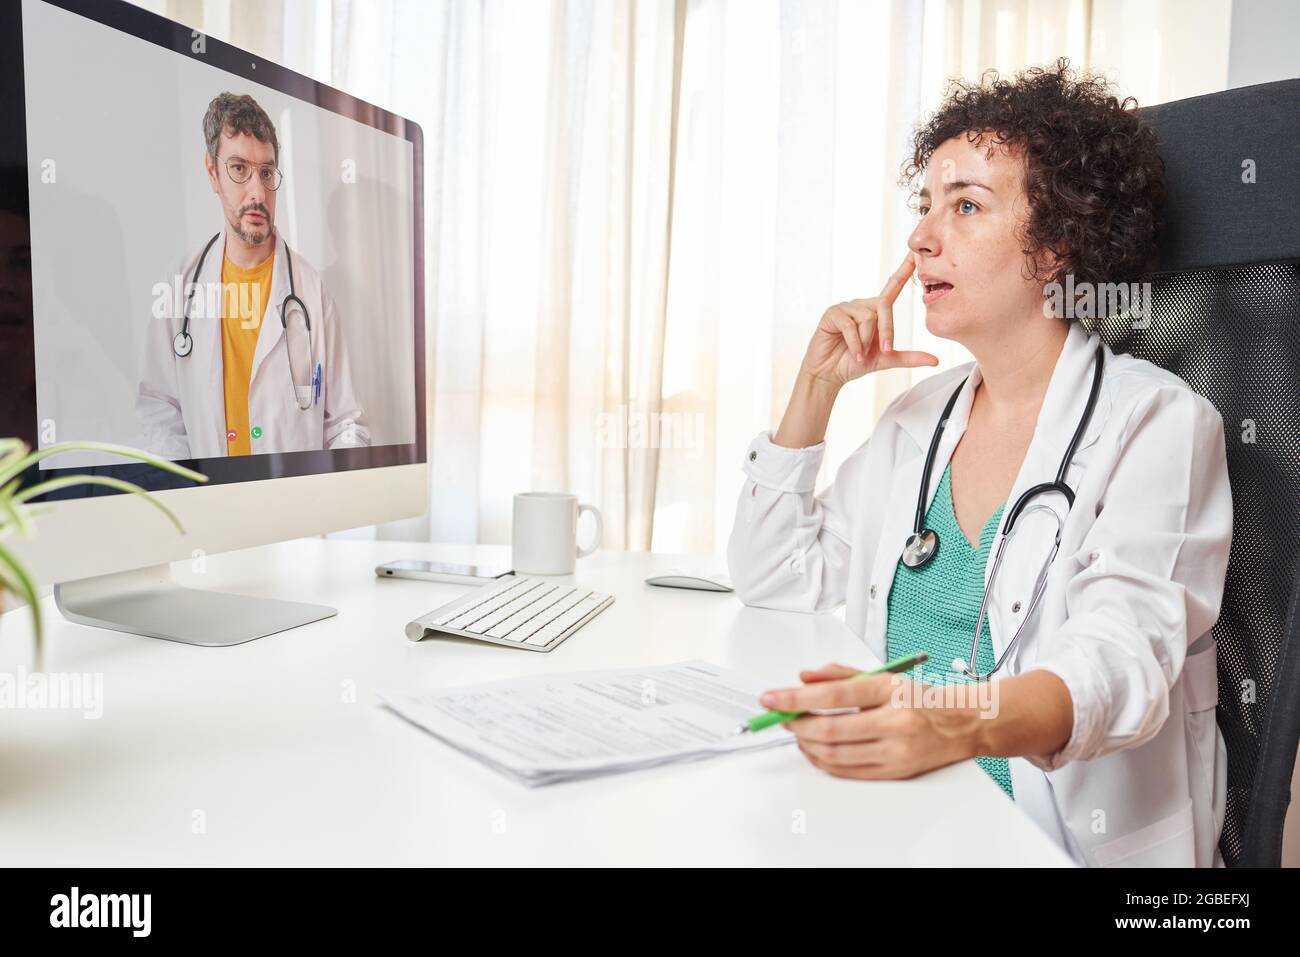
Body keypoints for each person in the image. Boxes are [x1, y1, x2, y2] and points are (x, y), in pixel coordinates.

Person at [727, 59, 1233, 867]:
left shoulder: (1159, 423)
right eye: (925, 206)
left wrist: (952, 720)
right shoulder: (918, 418)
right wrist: (814, 390)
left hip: (1046, 844)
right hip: (894, 821)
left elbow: (1120, 664)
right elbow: (774, 576)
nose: (922, 236)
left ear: (1057, 242)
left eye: (965, 206)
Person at [137, 92, 369, 458]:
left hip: (292, 506)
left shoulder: (311, 292)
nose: (257, 192)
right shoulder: (180, 287)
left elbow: (345, 423)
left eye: (266, 172)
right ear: (212, 172)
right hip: (207, 504)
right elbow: (159, 410)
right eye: (240, 169)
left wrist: (330, 497)